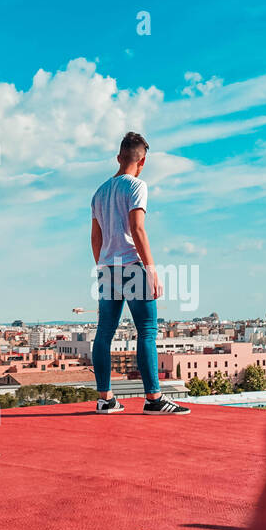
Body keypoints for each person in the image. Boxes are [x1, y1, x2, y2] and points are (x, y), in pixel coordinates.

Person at [89, 132, 190, 415]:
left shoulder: (99, 193)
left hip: (107, 268)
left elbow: (95, 238)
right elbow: (138, 229)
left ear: (119, 158)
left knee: (104, 334)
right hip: (132, 266)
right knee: (146, 332)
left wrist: (103, 266)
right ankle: (154, 399)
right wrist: (151, 270)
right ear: (142, 161)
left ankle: (105, 399)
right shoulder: (137, 186)